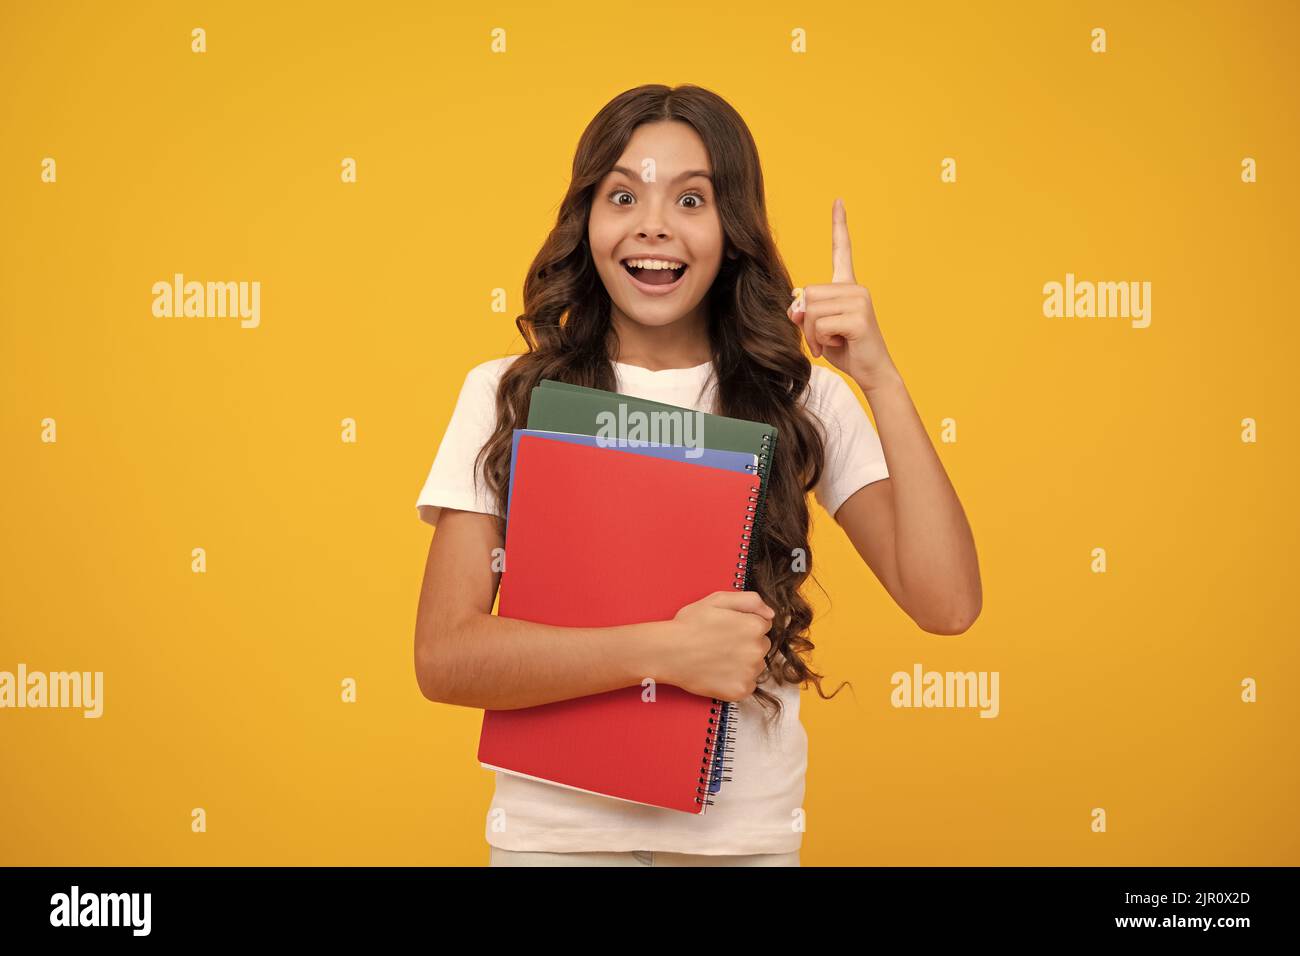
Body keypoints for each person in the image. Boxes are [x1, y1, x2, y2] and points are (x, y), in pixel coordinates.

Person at [413, 83, 981, 867]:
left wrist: (878, 377)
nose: (653, 224)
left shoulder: (803, 397)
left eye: (691, 199)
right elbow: (446, 657)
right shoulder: (508, 393)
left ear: (731, 229)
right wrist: (665, 652)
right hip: (556, 841)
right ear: (587, 222)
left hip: (740, 844)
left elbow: (947, 603)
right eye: (623, 195)